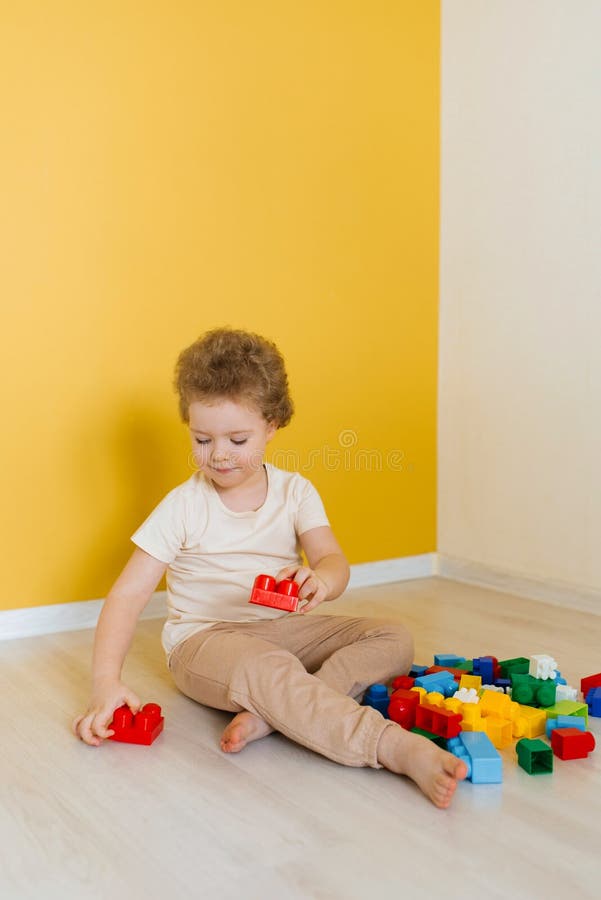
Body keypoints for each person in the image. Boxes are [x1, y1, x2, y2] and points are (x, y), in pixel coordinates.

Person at [73, 327, 466, 808]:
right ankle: (390, 747)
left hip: (283, 630)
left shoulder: (295, 492)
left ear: (272, 425)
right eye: (202, 439)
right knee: (269, 667)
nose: (218, 454)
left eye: (237, 439)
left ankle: (280, 711)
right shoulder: (183, 506)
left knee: (392, 636)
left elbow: (333, 563)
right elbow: (128, 595)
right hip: (206, 642)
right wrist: (105, 684)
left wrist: (320, 580)